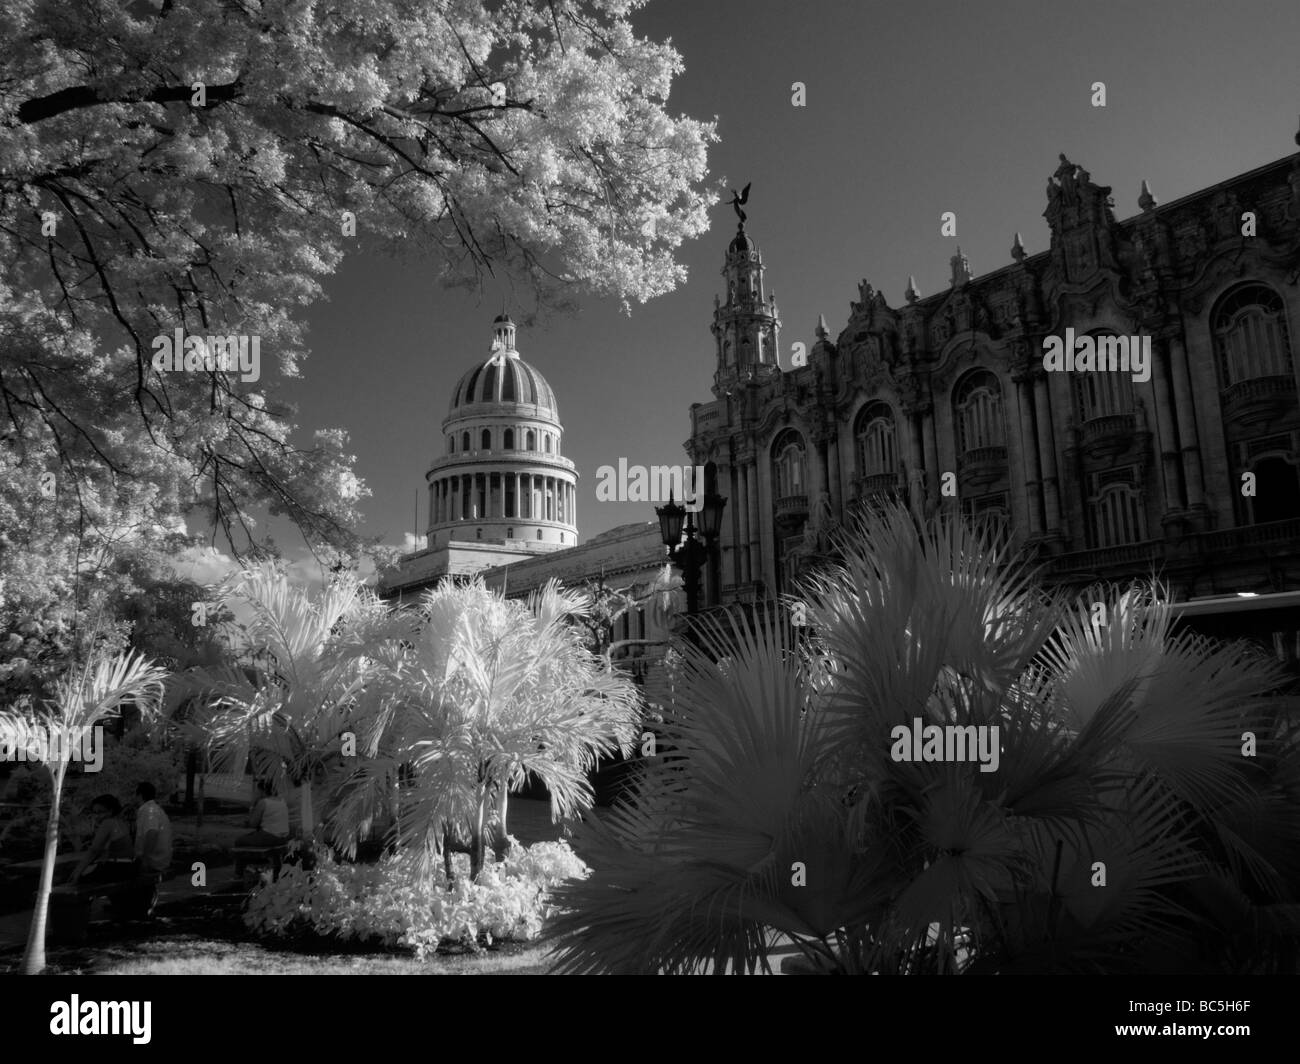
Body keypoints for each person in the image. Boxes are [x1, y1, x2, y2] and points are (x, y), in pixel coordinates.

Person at [70, 795, 135, 884]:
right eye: (95, 813)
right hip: (129, 867)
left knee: (79, 881)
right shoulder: (120, 822)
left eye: (101, 812)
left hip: (118, 868)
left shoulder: (107, 823)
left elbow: (94, 850)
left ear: (111, 811)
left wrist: (77, 871)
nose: (97, 816)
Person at [236, 778, 290, 847]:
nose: (256, 792)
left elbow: (253, 824)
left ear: (262, 791)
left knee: (239, 841)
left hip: (270, 837)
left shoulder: (263, 802)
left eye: (257, 791)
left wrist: (253, 804)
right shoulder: (282, 801)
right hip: (283, 838)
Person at [133, 781, 173, 875]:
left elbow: (152, 833)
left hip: (153, 862)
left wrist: (144, 860)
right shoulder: (155, 809)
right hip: (160, 860)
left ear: (140, 795)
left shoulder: (148, 811)